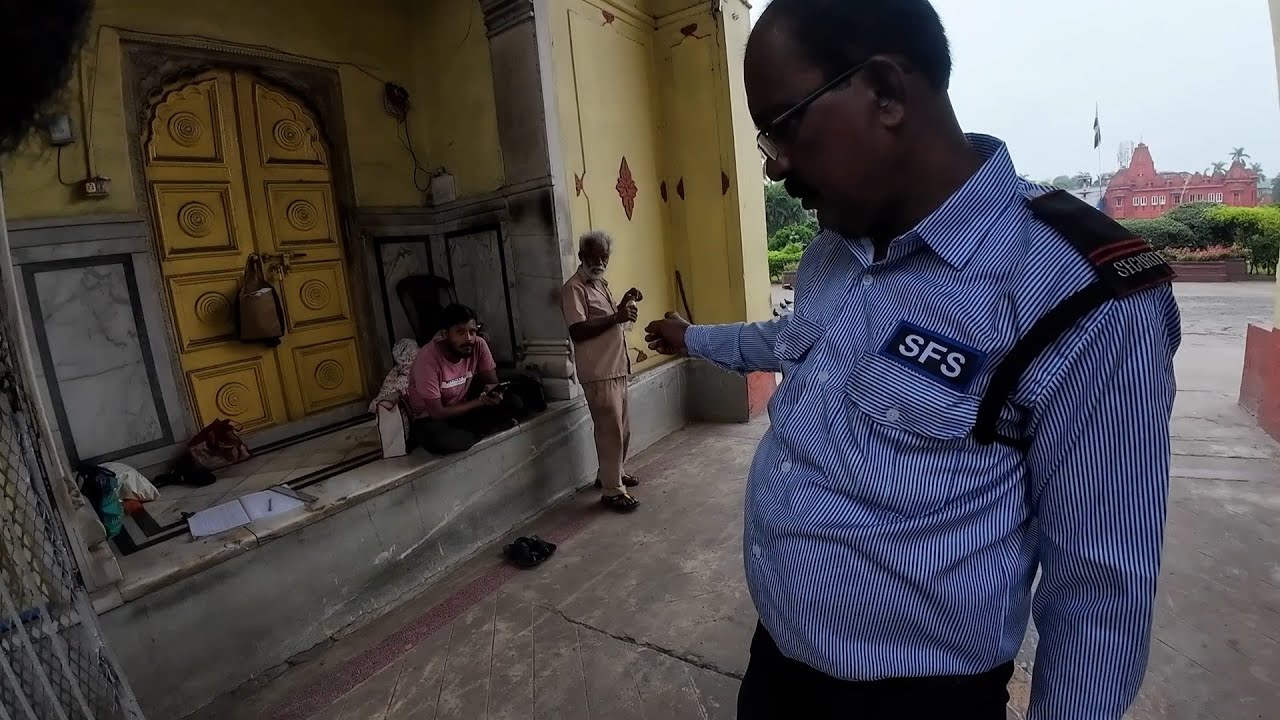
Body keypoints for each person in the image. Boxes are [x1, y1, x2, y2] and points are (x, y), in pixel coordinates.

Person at [645, 1, 1180, 718]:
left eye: (783, 126)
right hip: (777, 664)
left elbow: (1100, 592)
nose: (775, 167)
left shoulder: (1076, 295)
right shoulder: (834, 251)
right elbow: (785, 341)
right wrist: (693, 338)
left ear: (885, 92)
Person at [561, 231, 643, 513]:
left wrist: (623, 304)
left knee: (622, 430)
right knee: (610, 431)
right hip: (598, 371)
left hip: (616, 367)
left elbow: (609, 320)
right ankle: (612, 491)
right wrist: (617, 317)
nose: (599, 262)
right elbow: (578, 330)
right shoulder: (574, 288)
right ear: (581, 256)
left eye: (604, 257)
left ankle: (611, 474)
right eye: (593, 257)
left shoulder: (600, 284)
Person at [406, 304, 524, 455]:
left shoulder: (478, 345)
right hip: (433, 419)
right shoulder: (427, 359)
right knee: (437, 439)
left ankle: (472, 434)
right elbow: (437, 413)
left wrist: (495, 394)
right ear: (445, 334)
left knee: (514, 402)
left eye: (472, 331)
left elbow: (491, 382)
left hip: (463, 410)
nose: (468, 338)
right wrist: (479, 402)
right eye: (460, 332)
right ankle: (483, 430)